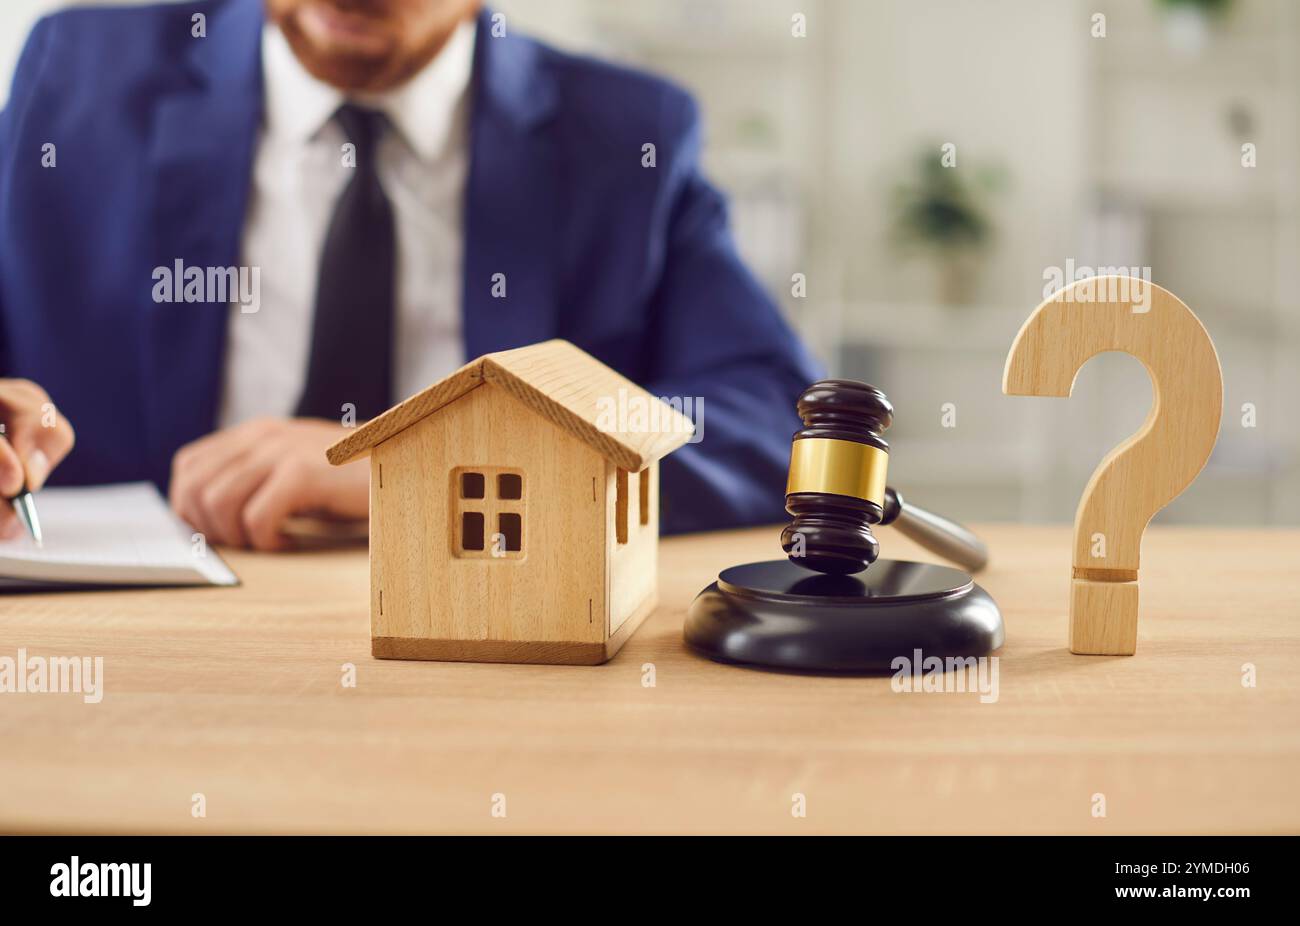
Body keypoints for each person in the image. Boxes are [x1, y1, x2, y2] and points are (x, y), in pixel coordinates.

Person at [0, 0, 820, 547]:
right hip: (140, 649)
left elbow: (773, 424)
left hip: (493, 646)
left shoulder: (629, 137)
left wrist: (439, 479)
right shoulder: (76, 75)